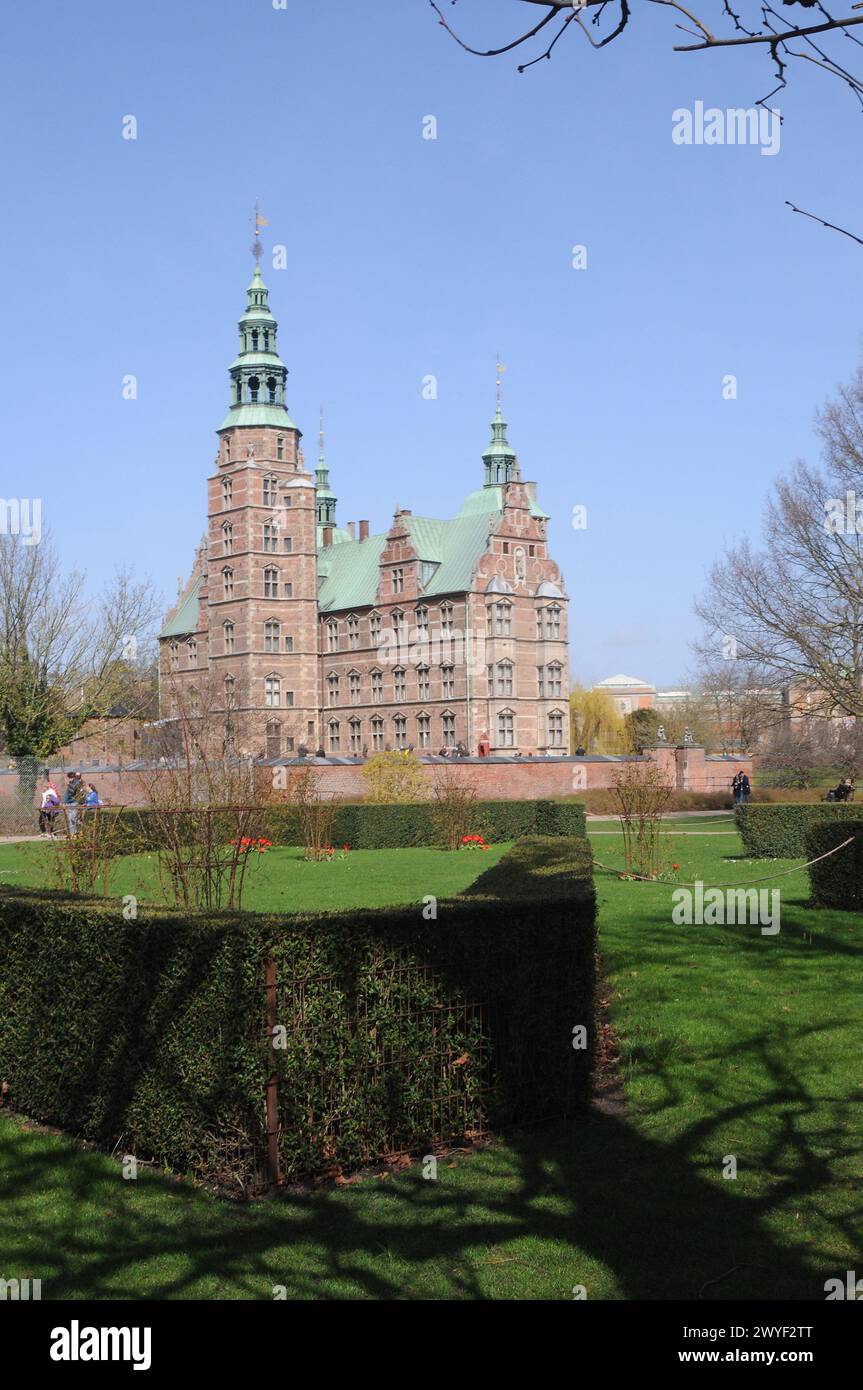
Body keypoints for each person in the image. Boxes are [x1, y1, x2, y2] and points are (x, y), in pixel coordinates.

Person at [63, 770, 85, 835]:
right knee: (70, 819)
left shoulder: (77, 782)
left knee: (73, 818)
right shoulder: (71, 783)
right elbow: (67, 794)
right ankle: (72, 833)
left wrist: (69, 785)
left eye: (72, 777)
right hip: (68, 802)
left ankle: (75, 832)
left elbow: (73, 791)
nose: (71, 778)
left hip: (74, 802)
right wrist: (64, 802)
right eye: (69, 777)